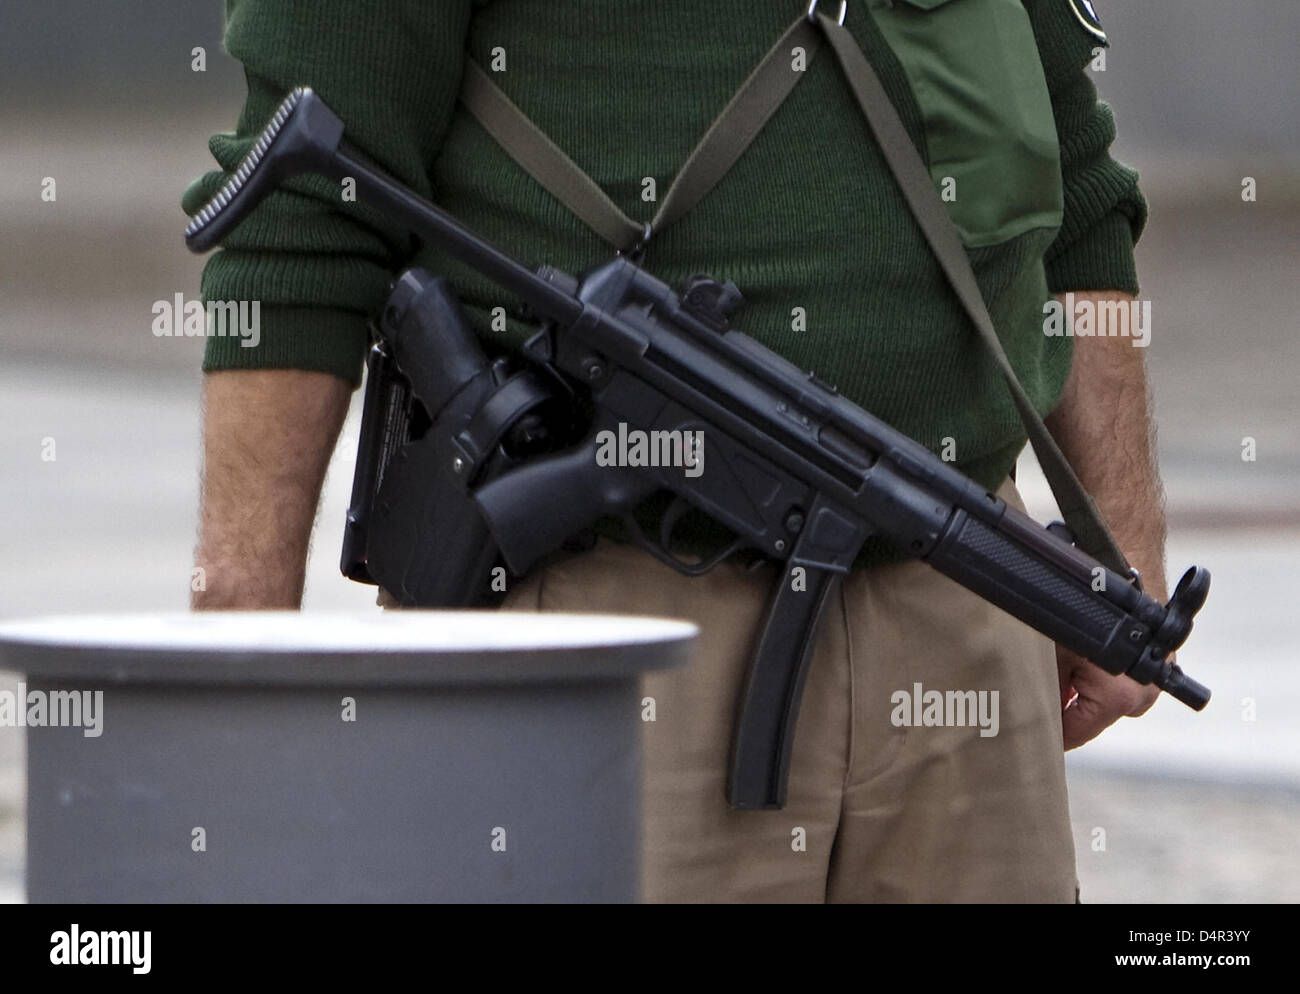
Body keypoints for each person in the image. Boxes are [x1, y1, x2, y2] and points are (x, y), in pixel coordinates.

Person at [185, 0, 1167, 902]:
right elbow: (309, 212)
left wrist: (1113, 554)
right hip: (606, 632)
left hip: (968, 604)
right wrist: (240, 655)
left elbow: (1070, 183)